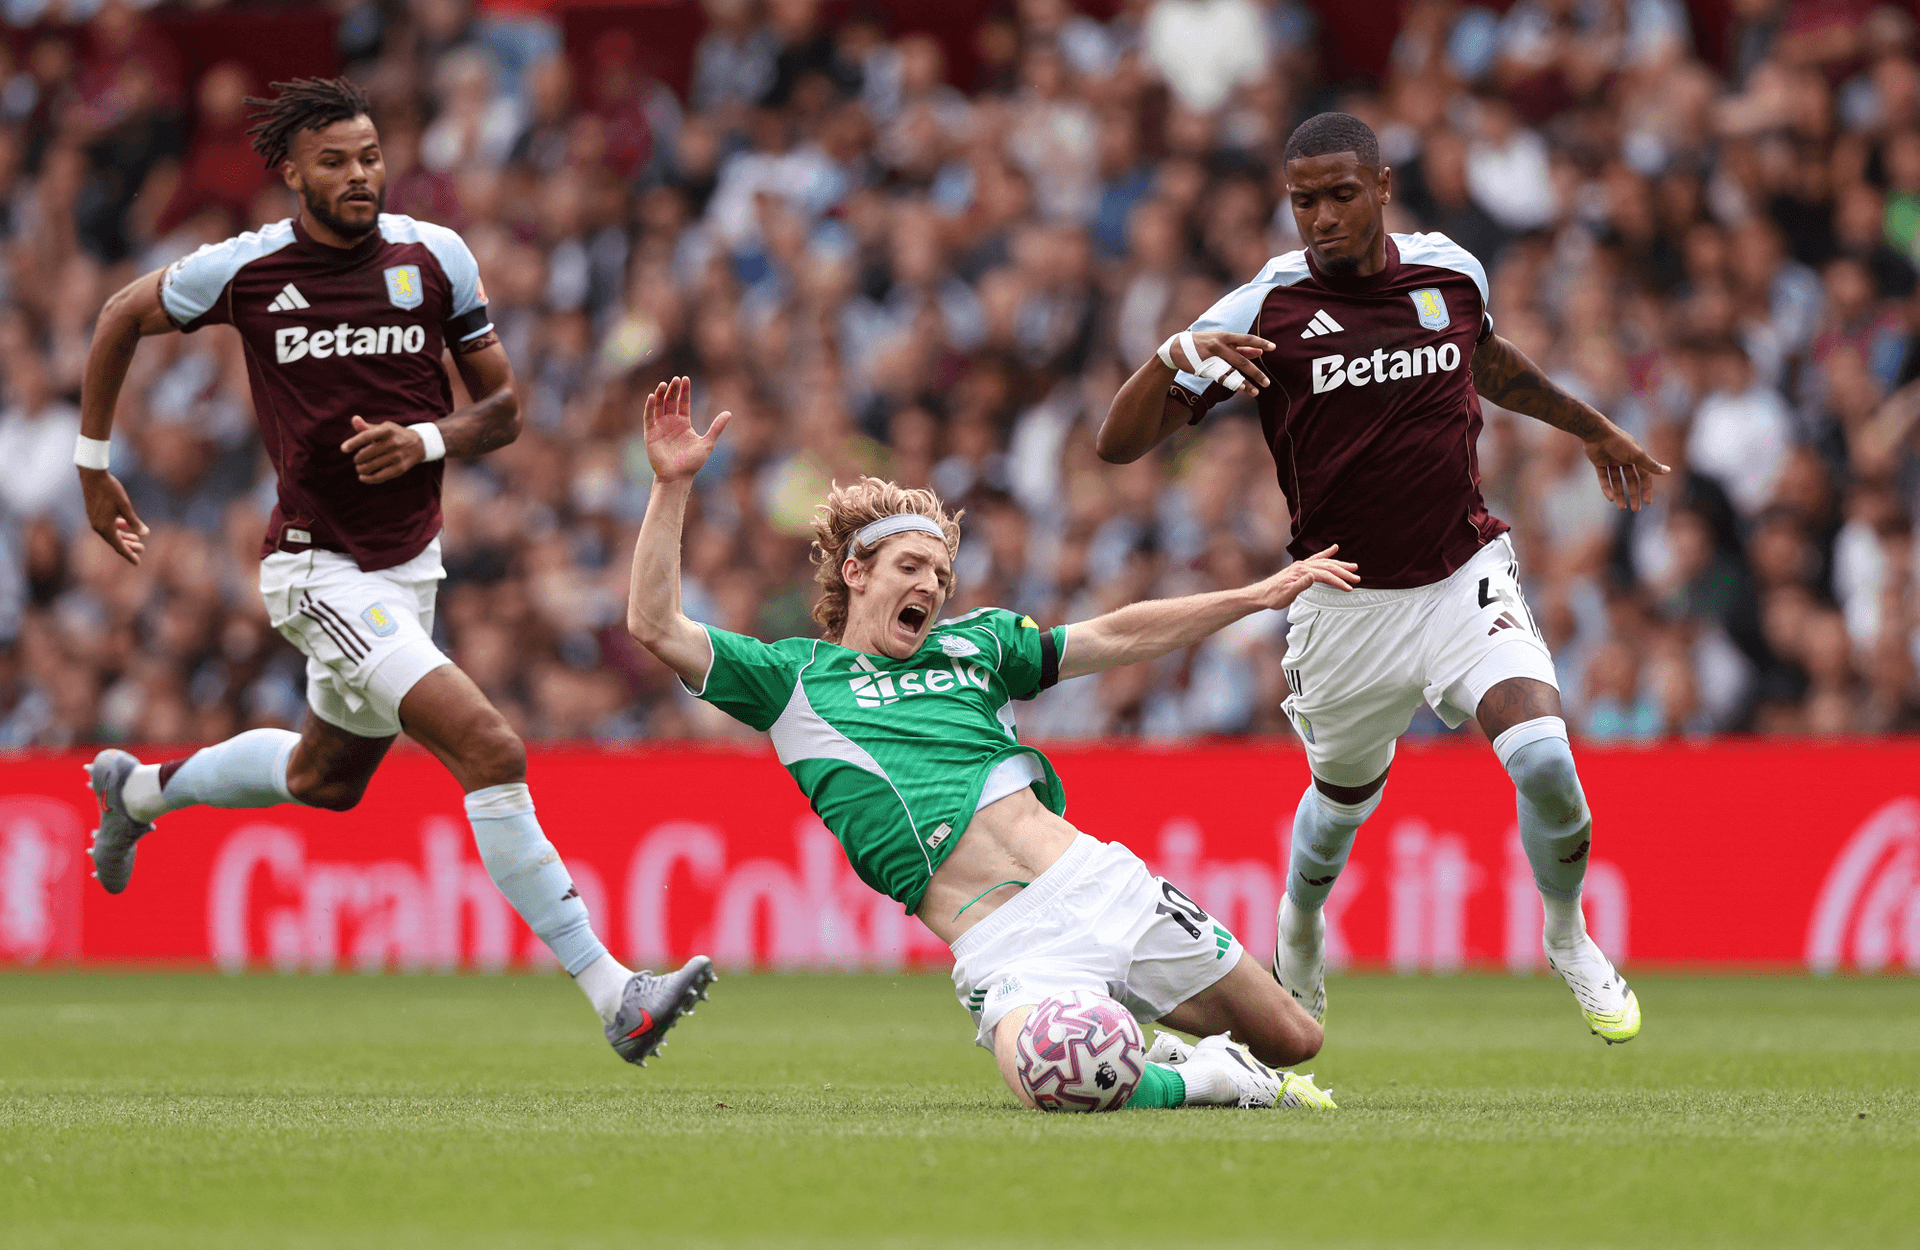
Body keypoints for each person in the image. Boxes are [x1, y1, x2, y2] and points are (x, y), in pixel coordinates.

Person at [74, 77, 711, 1067]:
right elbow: (119, 313)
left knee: (321, 777)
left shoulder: (434, 255)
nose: (360, 175)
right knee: (491, 747)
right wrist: (92, 465)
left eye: (370, 156)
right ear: (293, 173)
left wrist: (423, 438)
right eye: (335, 161)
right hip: (315, 569)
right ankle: (614, 991)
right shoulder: (249, 269)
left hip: (408, 567)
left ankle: (140, 793)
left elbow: (501, 410)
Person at [626, 375, 1349, 1111]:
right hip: (1004, 944)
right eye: (910, 567)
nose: (932, 586)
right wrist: (671, 486)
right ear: (855, 573)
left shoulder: (977, 644)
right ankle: (1208, 1079)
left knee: (1295, 1039)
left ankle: (1158, 1043)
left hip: (1098, 884)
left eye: (941, 574)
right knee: (1054, 1080)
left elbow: (1114, 634)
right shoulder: (791, 680)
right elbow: (656, 625)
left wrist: (1255, 595)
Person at [1097, 112, 1665, 1043]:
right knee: (1338, 809)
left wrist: (1595, 428)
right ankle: (1300, 924)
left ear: (1383, 186)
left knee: (1545, 757)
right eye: (1302, 201)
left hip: (1460, 573)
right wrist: (1171, 355)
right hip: (1343, 600)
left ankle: (1567, 934)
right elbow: (1115, 447)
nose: (1320, 217)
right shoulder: (1261, 311)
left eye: (1339, 195)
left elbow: (1488, 365)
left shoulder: (1451, 273)